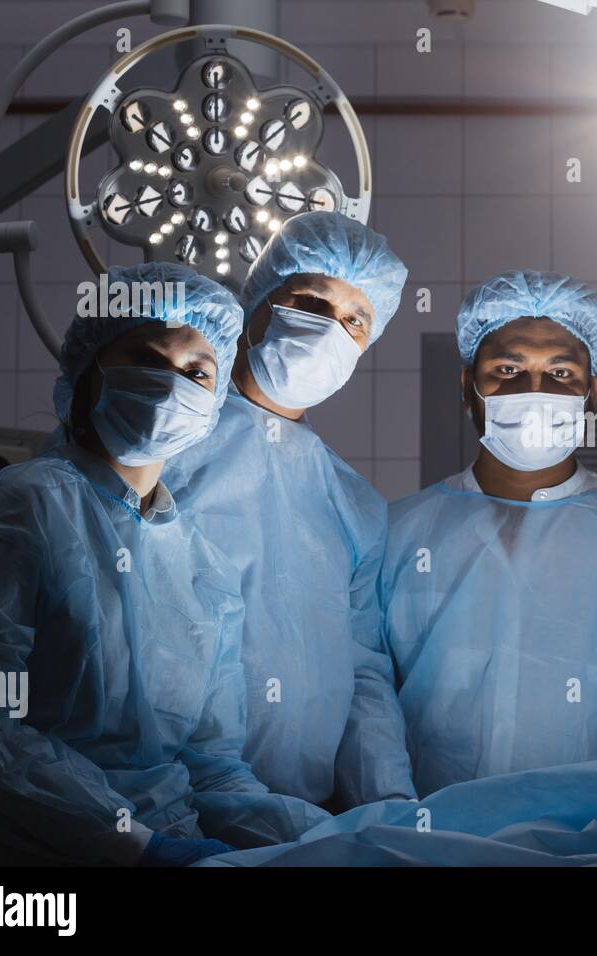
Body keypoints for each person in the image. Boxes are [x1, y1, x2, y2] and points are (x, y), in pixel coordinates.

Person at [0, 263, 330, 866]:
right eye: (146, 358)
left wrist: (330, 836)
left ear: (214, 402)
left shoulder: (205, 567)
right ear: (88, 376)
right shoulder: (25, 506)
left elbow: (211, 769)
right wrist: (137, 847)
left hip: (178, 844)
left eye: (197, 371)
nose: (172, 387)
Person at [380, 270, 597, 796]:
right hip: (439, 840)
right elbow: (368, 702)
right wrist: (393, 819)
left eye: (560, 374)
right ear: (468, 388)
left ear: (591, 394)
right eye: (507, 369)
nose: (533, 391)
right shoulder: (400, 532)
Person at [163, 211, 415, 809]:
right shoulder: (167, 447)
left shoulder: (352, 503)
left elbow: (363, 672)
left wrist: (390, 805)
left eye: (355, 320)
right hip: (172, 804)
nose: (330, 330)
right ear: (255, 307)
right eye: (310, 301)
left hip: (304, 814)